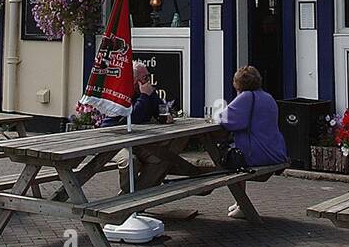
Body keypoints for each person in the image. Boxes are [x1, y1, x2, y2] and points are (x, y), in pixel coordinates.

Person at [105, 61, 200, 192]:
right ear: (133, 80)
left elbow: (160, 109)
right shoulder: (120, 95)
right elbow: (131, 120)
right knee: (130, 161)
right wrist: (144, 96)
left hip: (136, 141)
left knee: (161, 159)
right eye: (145, 78)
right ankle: (129, 195)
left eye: (148, 77)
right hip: (113, 141)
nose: (148, 81)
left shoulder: (148, 92)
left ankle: (136, 195)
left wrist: (166, 115)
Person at [218, 66, 287, 216]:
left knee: (231, 159)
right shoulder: (268, 97)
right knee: (236, 156)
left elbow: (227, 119)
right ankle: (239, 201)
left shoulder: (246, 97)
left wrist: (218, 116)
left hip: (257, 153)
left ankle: (242, 205)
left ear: (238, 83)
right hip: (275, 151)